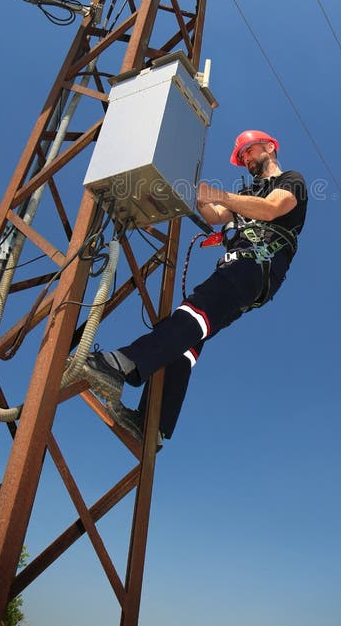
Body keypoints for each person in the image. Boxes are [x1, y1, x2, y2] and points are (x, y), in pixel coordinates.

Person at [74, 130, 307, 446]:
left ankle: (121, 364)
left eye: (248, 152)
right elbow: (214, 216)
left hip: (256, 265)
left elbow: (271, 209)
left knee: (194, 313)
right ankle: (153, 424)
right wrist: (195, 189)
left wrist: (219, 195)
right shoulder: (247, 192)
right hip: (242, 269)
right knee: (190, 338)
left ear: (269, 147)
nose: (246, 160)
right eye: (242, 158)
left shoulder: (290, 180)